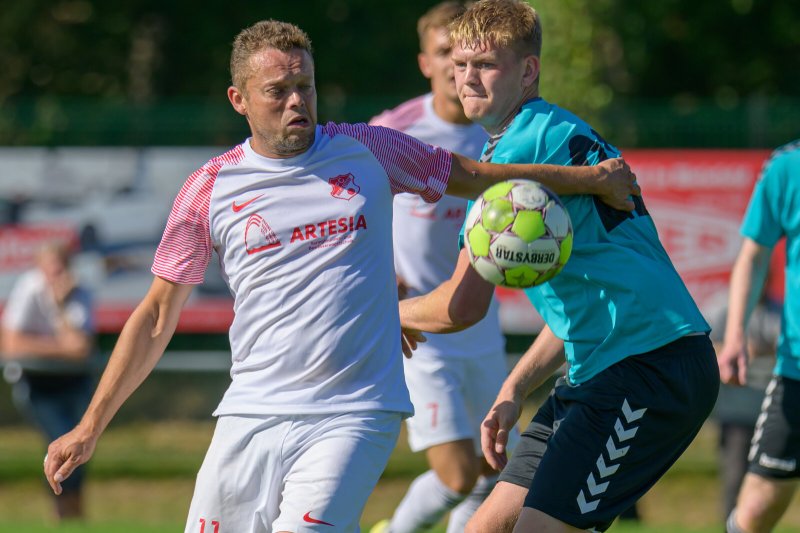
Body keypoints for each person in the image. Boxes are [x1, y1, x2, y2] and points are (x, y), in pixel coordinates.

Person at [42, 19, 639, 533]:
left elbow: (478, 174)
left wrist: (588, 180)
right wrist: (89, 426)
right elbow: (153, 316)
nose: (297, 102)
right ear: (238, 99)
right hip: (247, 414)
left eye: (305, 86)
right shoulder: (209, 188)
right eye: (277, 91)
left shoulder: (368, 150)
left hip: (353, 411)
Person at [397, 1, 719, 531]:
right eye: (459, 64)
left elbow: (461, 305)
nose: (467, 79)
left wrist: (390, 313)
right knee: (485, 526)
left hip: (648, 369)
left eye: (486, 65)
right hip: (601, 367)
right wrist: (515, 387)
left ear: (528, 70)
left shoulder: (523, 149)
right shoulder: (549, 132)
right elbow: (586, 300)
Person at [369, 3, 515, 532]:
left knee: (492, 468)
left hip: (481, 324)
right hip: (422, 328)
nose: (459, 69)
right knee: (455, 474)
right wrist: (378, 275)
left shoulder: (504, 131)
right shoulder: (393, 132)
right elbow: (345, 208)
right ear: (424, 63)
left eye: (468, 58)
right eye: (444, 55)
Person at [718, 139, 800, 533]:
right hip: (796, 371)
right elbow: (753, 256)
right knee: (755, 512)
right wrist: (735, 335)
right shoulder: (786, 167)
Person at [1, 242, 95, 520]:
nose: (55, 274)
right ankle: (62, 513)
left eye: (60, 267)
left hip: (73, 382)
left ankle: (74, 516)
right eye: (50, 268)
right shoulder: (28, 288)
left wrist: (59, 306)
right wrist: (60, 347)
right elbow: (12, 343)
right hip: (38, 383)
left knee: (79, 445)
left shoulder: (78, 293)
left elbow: (80, 347)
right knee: (60, 439)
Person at [708, 276, 780, 523]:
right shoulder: (721, 311)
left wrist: (761, 350)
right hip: (735, 412)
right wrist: (730, 348)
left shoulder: (777, 312)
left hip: (769, 410)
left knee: (766, 482)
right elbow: (700, 346)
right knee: (735, 476)